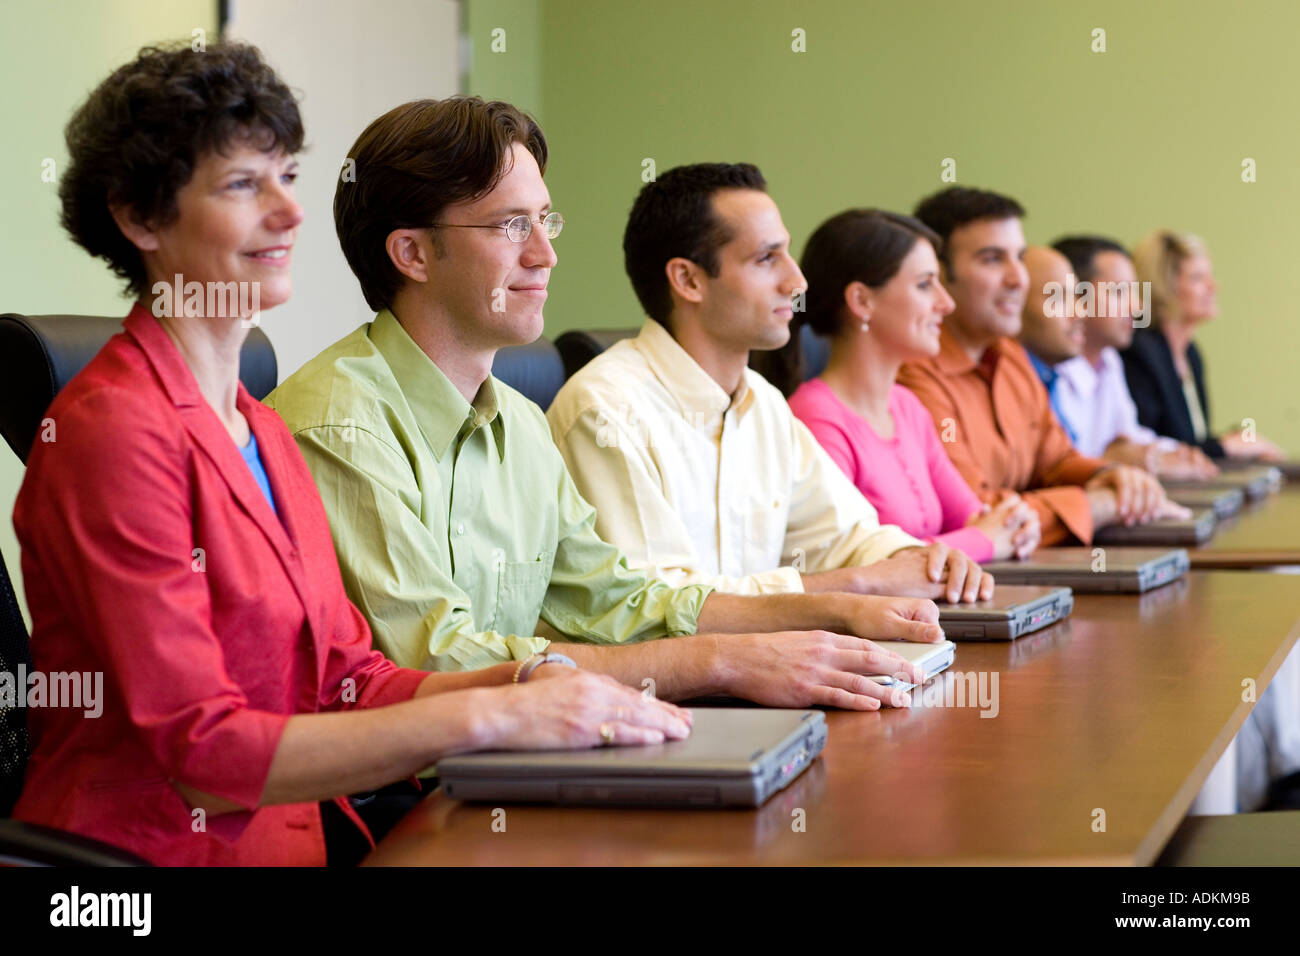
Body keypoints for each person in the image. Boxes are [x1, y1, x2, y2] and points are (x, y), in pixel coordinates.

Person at [11, 43, 690, 867]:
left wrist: (525, 681)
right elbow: (208, 760)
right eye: (241, 185)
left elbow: (350, 681)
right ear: (140, 218)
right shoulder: (112, 432)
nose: (289, 213)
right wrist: (495, 718)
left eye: (288, 178)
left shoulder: (257, 426)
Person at [266, 98, 944, 714]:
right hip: (416, 801)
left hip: (513, 753)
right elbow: (434, 663)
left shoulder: (522, 423)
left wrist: (837, 612)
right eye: (510, 226)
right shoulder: (342, 421)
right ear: (412, 252)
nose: (546, 254)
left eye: (545, 221)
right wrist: (723, 661)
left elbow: (620, 600)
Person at [547, 165, 993, 601]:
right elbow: (656, 606)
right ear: (688, 279)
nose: (797, 281)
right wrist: (860, 583)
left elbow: (846, 538)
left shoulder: (763, 404)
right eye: (766, 258)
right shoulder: (605, 411)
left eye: (788, 253)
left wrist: (922, 559)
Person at [897, 187, 1181, 547]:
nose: (1018, 278)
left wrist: (1112, 476)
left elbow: (1057, 461)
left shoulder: (1010, 356)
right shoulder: (916, 377)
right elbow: (980, 517)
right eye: (992, 259)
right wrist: (1094, 505)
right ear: (938, 274)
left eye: (1019, 257)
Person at [775, 209, 1038, 562]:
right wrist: (986, 541)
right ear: (862, 301)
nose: (946, 303)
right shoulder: (814, 420)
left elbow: (977, 518)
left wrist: (1017, 523)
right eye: (925, 284)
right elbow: (852, 564)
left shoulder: (907, 406)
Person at [1049, 235, 1218, 478]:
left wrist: (1174, 455)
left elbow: (1130, 436)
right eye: (1119, 292)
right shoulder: (1052, 369)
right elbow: (1062, 464)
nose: (1137, 308)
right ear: (1075, 296)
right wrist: (1118, 458)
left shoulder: (1109, 361)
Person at [1123, 230, 1284, 461]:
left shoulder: (1190, 354)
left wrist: (1239, 444)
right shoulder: (1139, 352)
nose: (1213, 286)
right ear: (1163, 287)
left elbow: (1192, 442)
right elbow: (1153, 448)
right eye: (1198, 278)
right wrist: (1224, 447)